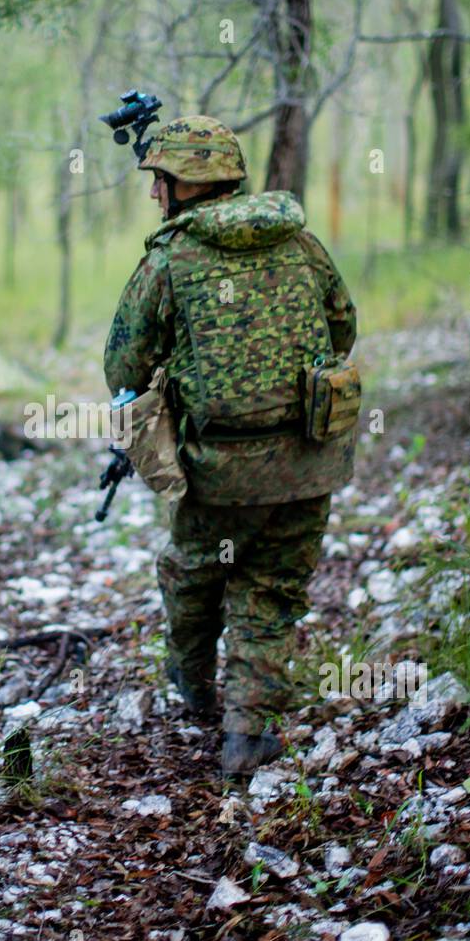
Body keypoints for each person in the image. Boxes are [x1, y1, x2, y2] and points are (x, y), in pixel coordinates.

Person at [103, 116, 357, 775]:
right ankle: (248, 733)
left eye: (160, 181)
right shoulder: (300, 242)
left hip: (219, 471)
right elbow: (343, 325)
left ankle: (194, 688)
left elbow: (124, 369)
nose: (155, 194)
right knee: (270, 591)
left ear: (184, 186)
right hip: (309, 458)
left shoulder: (170, 259)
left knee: (192, 574)